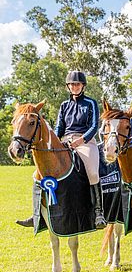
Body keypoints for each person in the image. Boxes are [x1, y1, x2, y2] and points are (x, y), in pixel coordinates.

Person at [16, 70, 106, 229]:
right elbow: (59, 127)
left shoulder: (90, 103)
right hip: (65, 140)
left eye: (77, 84)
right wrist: (55, 141)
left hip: (85, 141)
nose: (75, 87)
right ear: (68, 87)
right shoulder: (64, 105)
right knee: (37, 175)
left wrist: (81, 140)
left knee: (92, 172)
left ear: (83, 86)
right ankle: (37, 215)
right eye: (72, 84)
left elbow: (94, 126)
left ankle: (99, 212)